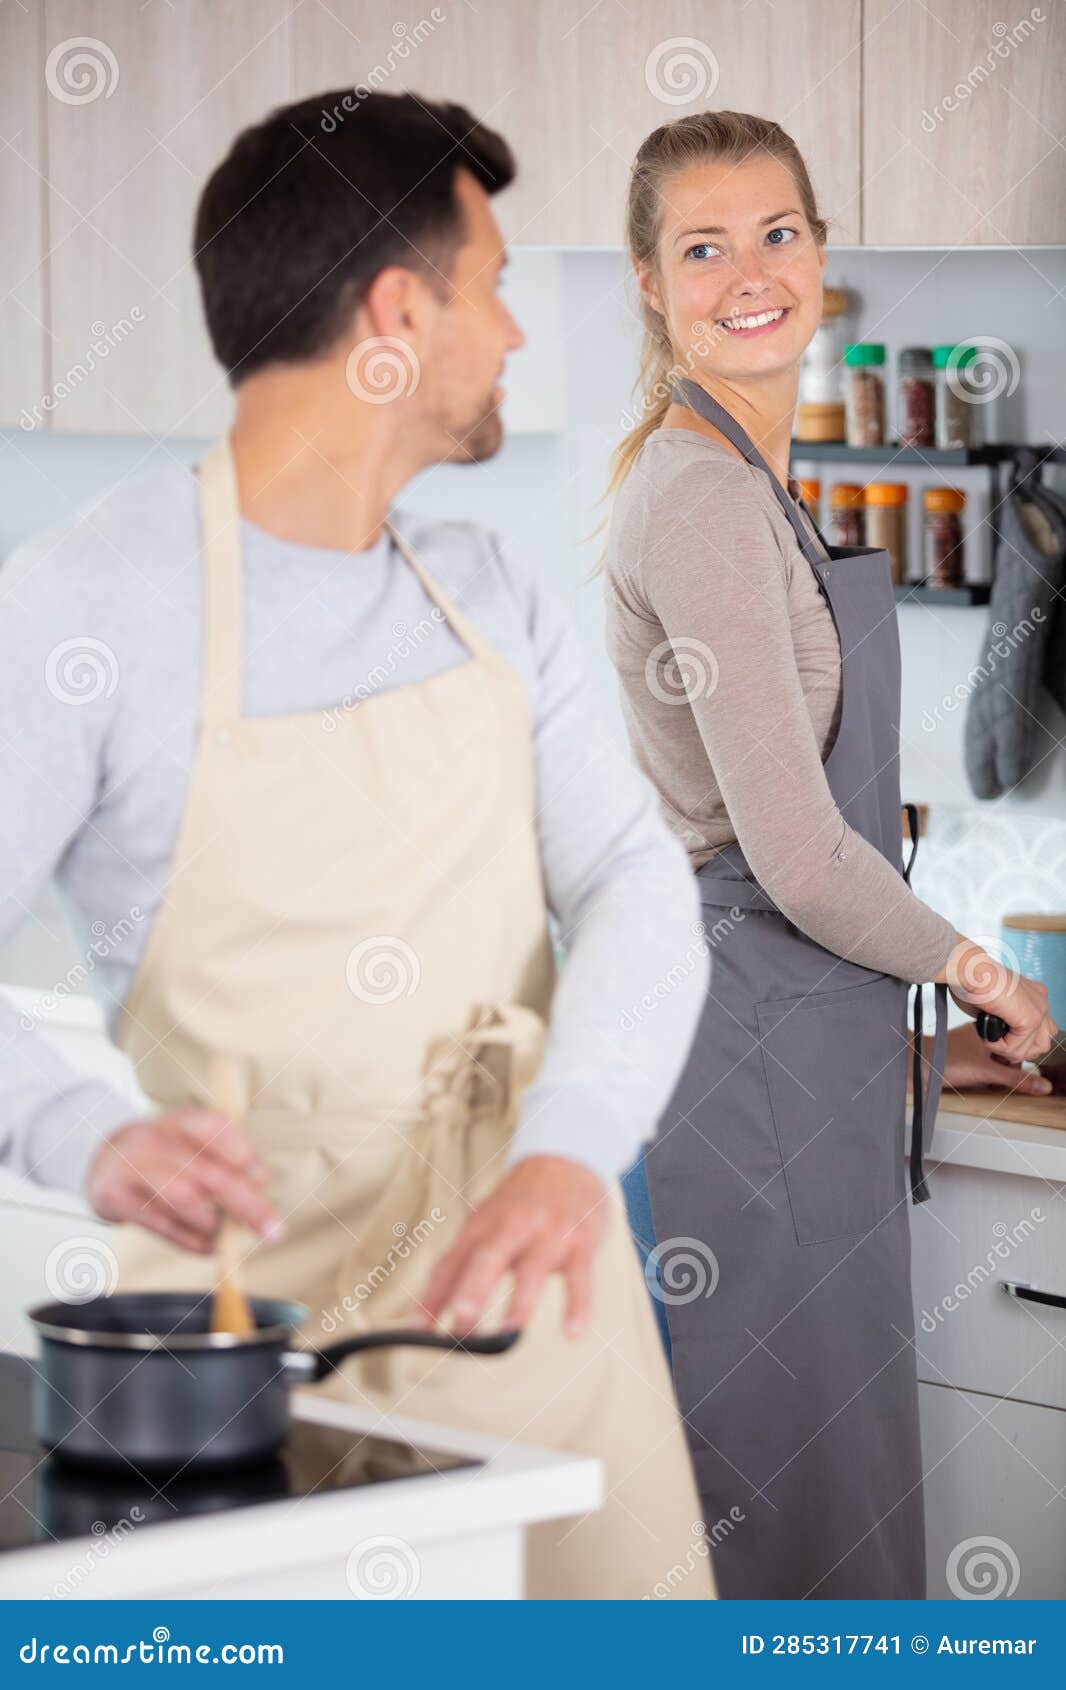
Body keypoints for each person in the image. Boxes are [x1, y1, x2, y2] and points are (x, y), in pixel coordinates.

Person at [0, 90, 715, 1601]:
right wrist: (86, 1134)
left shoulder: (490, 591)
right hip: (241, 1355)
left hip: (535, 1306)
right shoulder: (84, 608)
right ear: (399, 307)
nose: (516, 335)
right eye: (497, 284)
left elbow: (634, 878)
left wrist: (567, 1150)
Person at [601, 109, 1057, 1599]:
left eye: (777, 233)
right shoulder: (700, 501)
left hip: (799, 1053)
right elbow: (792, 854)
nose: (750, 271)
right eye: (703, 245)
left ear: (821, 255)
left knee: (834, 1504)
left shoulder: (756, 488)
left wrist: (918, 1048)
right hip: (749, 1069)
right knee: (794, 1520)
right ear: (650, 281)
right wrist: (985, 973)